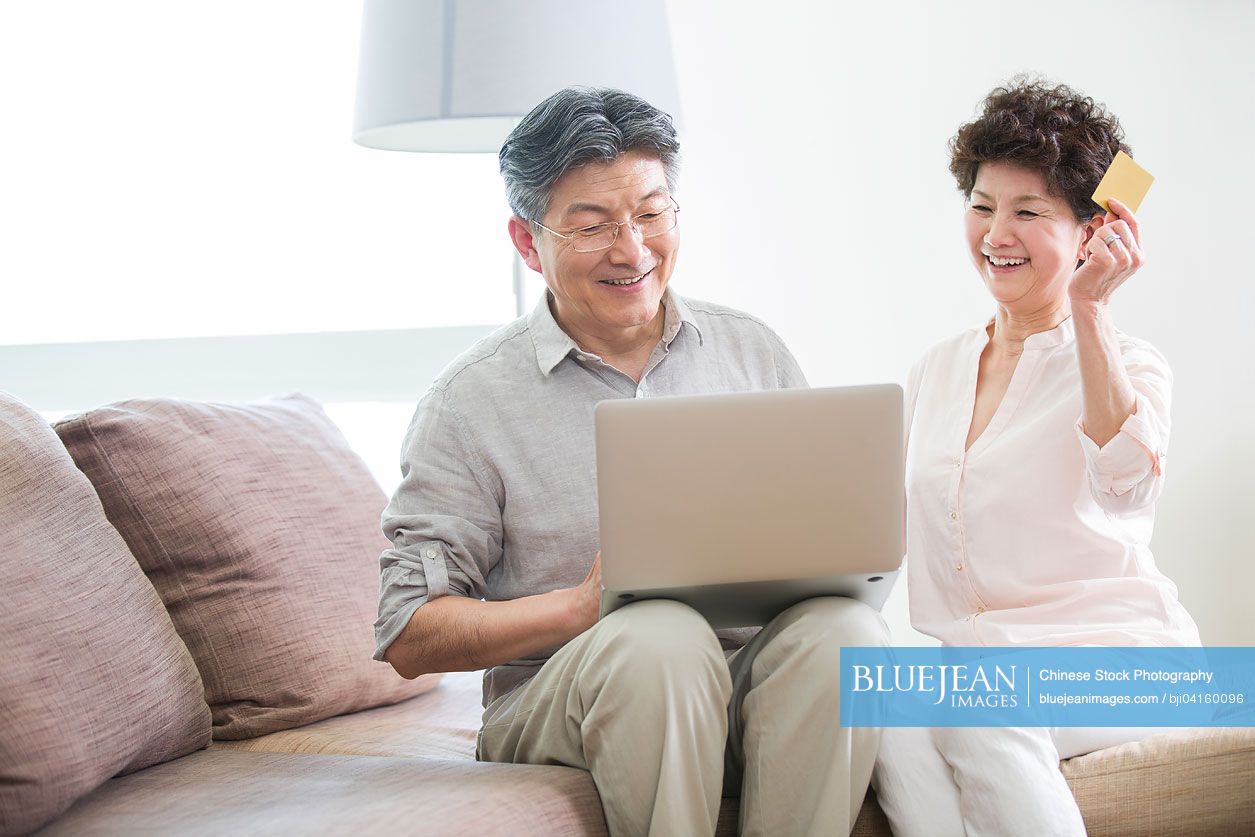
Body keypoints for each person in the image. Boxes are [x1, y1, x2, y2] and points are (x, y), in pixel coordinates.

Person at [373, 86, 889, 837]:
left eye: (651, 214)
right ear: (526, 242)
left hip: (745, 689)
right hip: (563, 698)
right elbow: (408, 632)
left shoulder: (750, 350)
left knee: (849, 633)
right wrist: (579, 609)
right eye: (592, 226)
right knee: (659, 637)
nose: (632, 249)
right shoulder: (469, 401)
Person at [870, 78, 1201, 836]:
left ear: (1092, 232)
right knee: (885, 715)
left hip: (1126, 657)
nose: (996, 233)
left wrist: (1089, 309)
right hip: (979, 667)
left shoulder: (1131, 362)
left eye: (1027, 212)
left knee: (983, 709)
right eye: (982, 206)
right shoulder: (935, 370)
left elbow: (1123, 488)